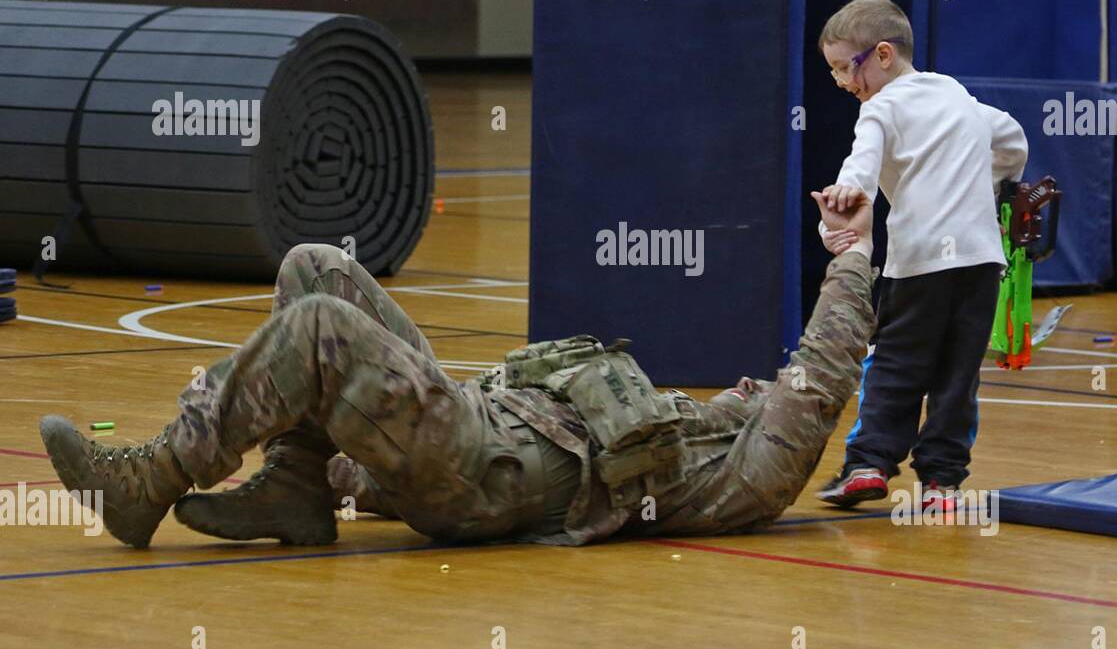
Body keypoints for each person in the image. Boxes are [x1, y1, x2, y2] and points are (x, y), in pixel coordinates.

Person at [40, 198, 877, 550]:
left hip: (482, 470)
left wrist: (854, 259)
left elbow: (819, 377)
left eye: (761, 388)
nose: (750, 380)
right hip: (470, 423)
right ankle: (296, 492)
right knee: (314, 269)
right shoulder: (681, 412)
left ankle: (154, 475)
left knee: (323, 331)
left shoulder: (744, 475)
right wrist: (349, 475)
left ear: (768, 412)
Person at [814, 0, 1028, 508]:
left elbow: (860, 167)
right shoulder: (956, 96)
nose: (844, 83)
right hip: (980, 263)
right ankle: (941, 482)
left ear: (883, 55)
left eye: (848, 68)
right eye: (836, 72)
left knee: (895, 363)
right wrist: (999, 188)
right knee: (958, 373)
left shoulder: (879, 109)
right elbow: (1013, 139)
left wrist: (846, 197)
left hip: (919, 265)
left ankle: (868, 463)